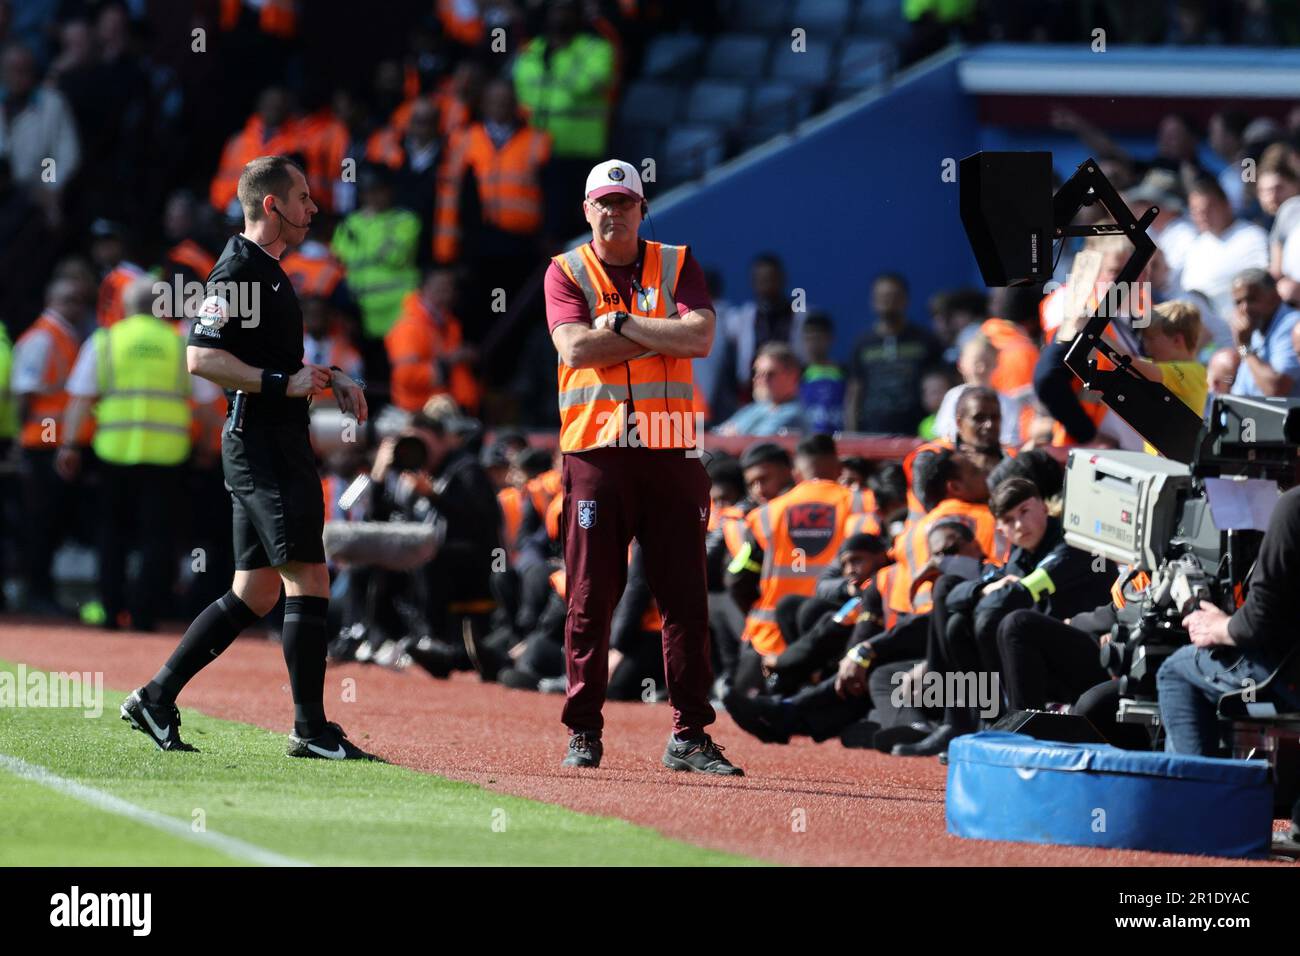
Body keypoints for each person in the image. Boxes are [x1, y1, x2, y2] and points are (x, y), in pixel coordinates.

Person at [120, 155, 375, 761]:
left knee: (257, 592)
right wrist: (280, 381)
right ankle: (310, 730)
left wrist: (329, 375)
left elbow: (268, 363)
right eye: (304, 198)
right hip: (262, 447)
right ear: (272, 205)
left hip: (270, 441)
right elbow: (201, 358)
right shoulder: (238, 269)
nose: (314, 209)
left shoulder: (269, 269)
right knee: (309, 577)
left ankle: (156, 697)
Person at [544, 158, 741, 774]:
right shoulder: (565, 269)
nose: (614, 211)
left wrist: (625, 323)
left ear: (642, 208)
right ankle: (583, 730)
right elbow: (575, 348)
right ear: (586, 210)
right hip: (598, 452)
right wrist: (665, 332)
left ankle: (689, 734)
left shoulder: (677, 261)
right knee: (589, 598)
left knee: (685, 596)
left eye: (625, 202)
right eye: (603, 202)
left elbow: (703, 338)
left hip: (671, 449)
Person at [56, 277, 191, 632]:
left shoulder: (104, 341)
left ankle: (111, 610)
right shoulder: (179, 342)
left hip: (113, 454)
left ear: (126, 306)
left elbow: (81, 399)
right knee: (157, 537)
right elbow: (206, 403)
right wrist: (210, 444)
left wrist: (69, 445)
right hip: (167, 456)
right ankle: (145, 614)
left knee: (112, 535)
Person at [1159, 485, 1300, 755]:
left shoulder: (1293, 507)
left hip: (1287, 672)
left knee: (1175, 671)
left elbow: (1257, 622)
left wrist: (1217, 626)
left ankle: (1195, 791)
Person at [845, 272, 942, 434]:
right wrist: (852, 431)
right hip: (872, 432)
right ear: (873, 301)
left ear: (905, 299)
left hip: (918, 431)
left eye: (893, 296)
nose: (888, 302)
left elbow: (938, 386)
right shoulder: (862, 344)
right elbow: (854, 390)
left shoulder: (926, 341)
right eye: (882, 297)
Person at [1180, 176, 1269, 347]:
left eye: (1208, 208)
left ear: (1226, 205)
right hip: (1202, 334)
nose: (1202, 216)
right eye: (1195, 211)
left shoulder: (1251, 236)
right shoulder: (1196, 245)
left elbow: (1258, 284)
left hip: (1244, 328)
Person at [1227, 268, 1300, 399]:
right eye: (1238, 302)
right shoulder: (1253, 329)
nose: (1244, 308)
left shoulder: (1293, 325)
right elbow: (1240, 391)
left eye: (1251, 299)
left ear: (1274, 297)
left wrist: (1244, 347)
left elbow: (1275, 389)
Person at [714, 342, 806, 435]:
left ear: (792, 376)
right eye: (757, 373)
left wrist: (734, 435)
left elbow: (760, 441)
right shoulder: (754, 409)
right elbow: (716, 434)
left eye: (770, 374)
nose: (760, 380)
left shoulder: (794, 415)